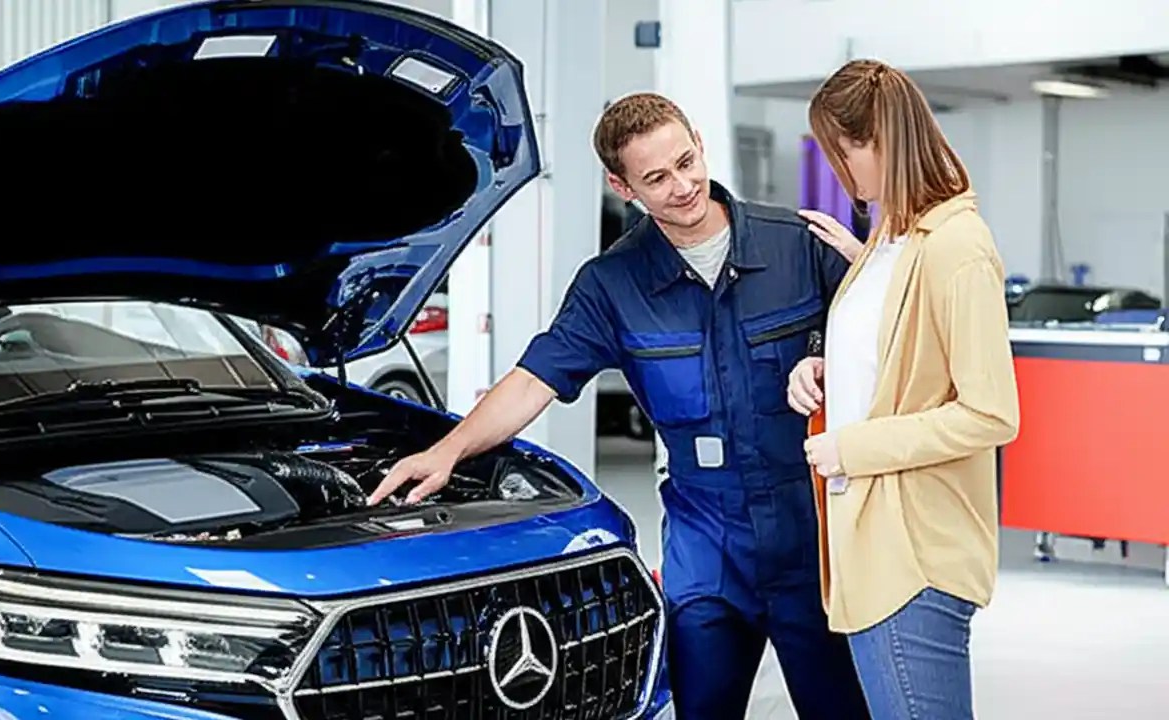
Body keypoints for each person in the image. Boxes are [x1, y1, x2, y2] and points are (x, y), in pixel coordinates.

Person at [368, 92, 871, 720]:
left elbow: (886, 345)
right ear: (621, 184)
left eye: (686, 162)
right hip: (706, 548)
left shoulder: (799, 244)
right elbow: (534, 379)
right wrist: (444, 453)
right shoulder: (613, 284)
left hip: (815, 538)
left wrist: (840, 332)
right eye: (656, 178)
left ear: (698, 143)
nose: (683, 186)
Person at [787, 59, 1020, 719]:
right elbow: (898, 363)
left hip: (915, 554)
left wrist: (852, 447)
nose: (836, 171)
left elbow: (990, 413)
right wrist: (828, 370)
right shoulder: (889, 241)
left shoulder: (956, 247)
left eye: (841, 152)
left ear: (878, 143)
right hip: (868, 542)